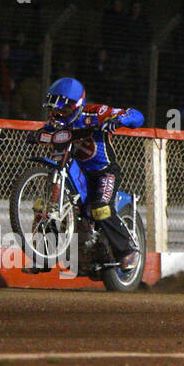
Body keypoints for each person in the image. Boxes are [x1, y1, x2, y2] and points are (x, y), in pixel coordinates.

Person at [33, 77, 145, 272]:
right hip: (74, 172)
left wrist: (118, 120)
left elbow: (137, 116)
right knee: (48, 207)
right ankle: (45, 256)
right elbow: (44, 131)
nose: (58, 113)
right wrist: (36, 135)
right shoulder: (56, 123)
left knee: (100, 208)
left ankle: (128, 251)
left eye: (63, 109)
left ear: (76, 105)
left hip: (103, 172)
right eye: (54, 108)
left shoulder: (96, 112)